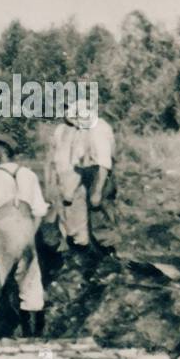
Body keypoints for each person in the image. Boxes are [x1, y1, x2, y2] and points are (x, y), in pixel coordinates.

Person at [0, 134, 49, 337]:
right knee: (31, 282)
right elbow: (40, 212)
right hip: (26, 227)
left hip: (2, 227)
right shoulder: (29, 174)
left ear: (0, 153)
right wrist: (29, 236)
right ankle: (33, 336)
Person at [46, 100, 116, 256]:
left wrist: (97, 191)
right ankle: (93, 252)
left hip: (101, 175)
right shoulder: (83, 129)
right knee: (86, 218)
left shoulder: (98, 130)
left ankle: (109, 254)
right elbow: (78, 161)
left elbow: (104, 164)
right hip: (87, 174)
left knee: (100, 214)